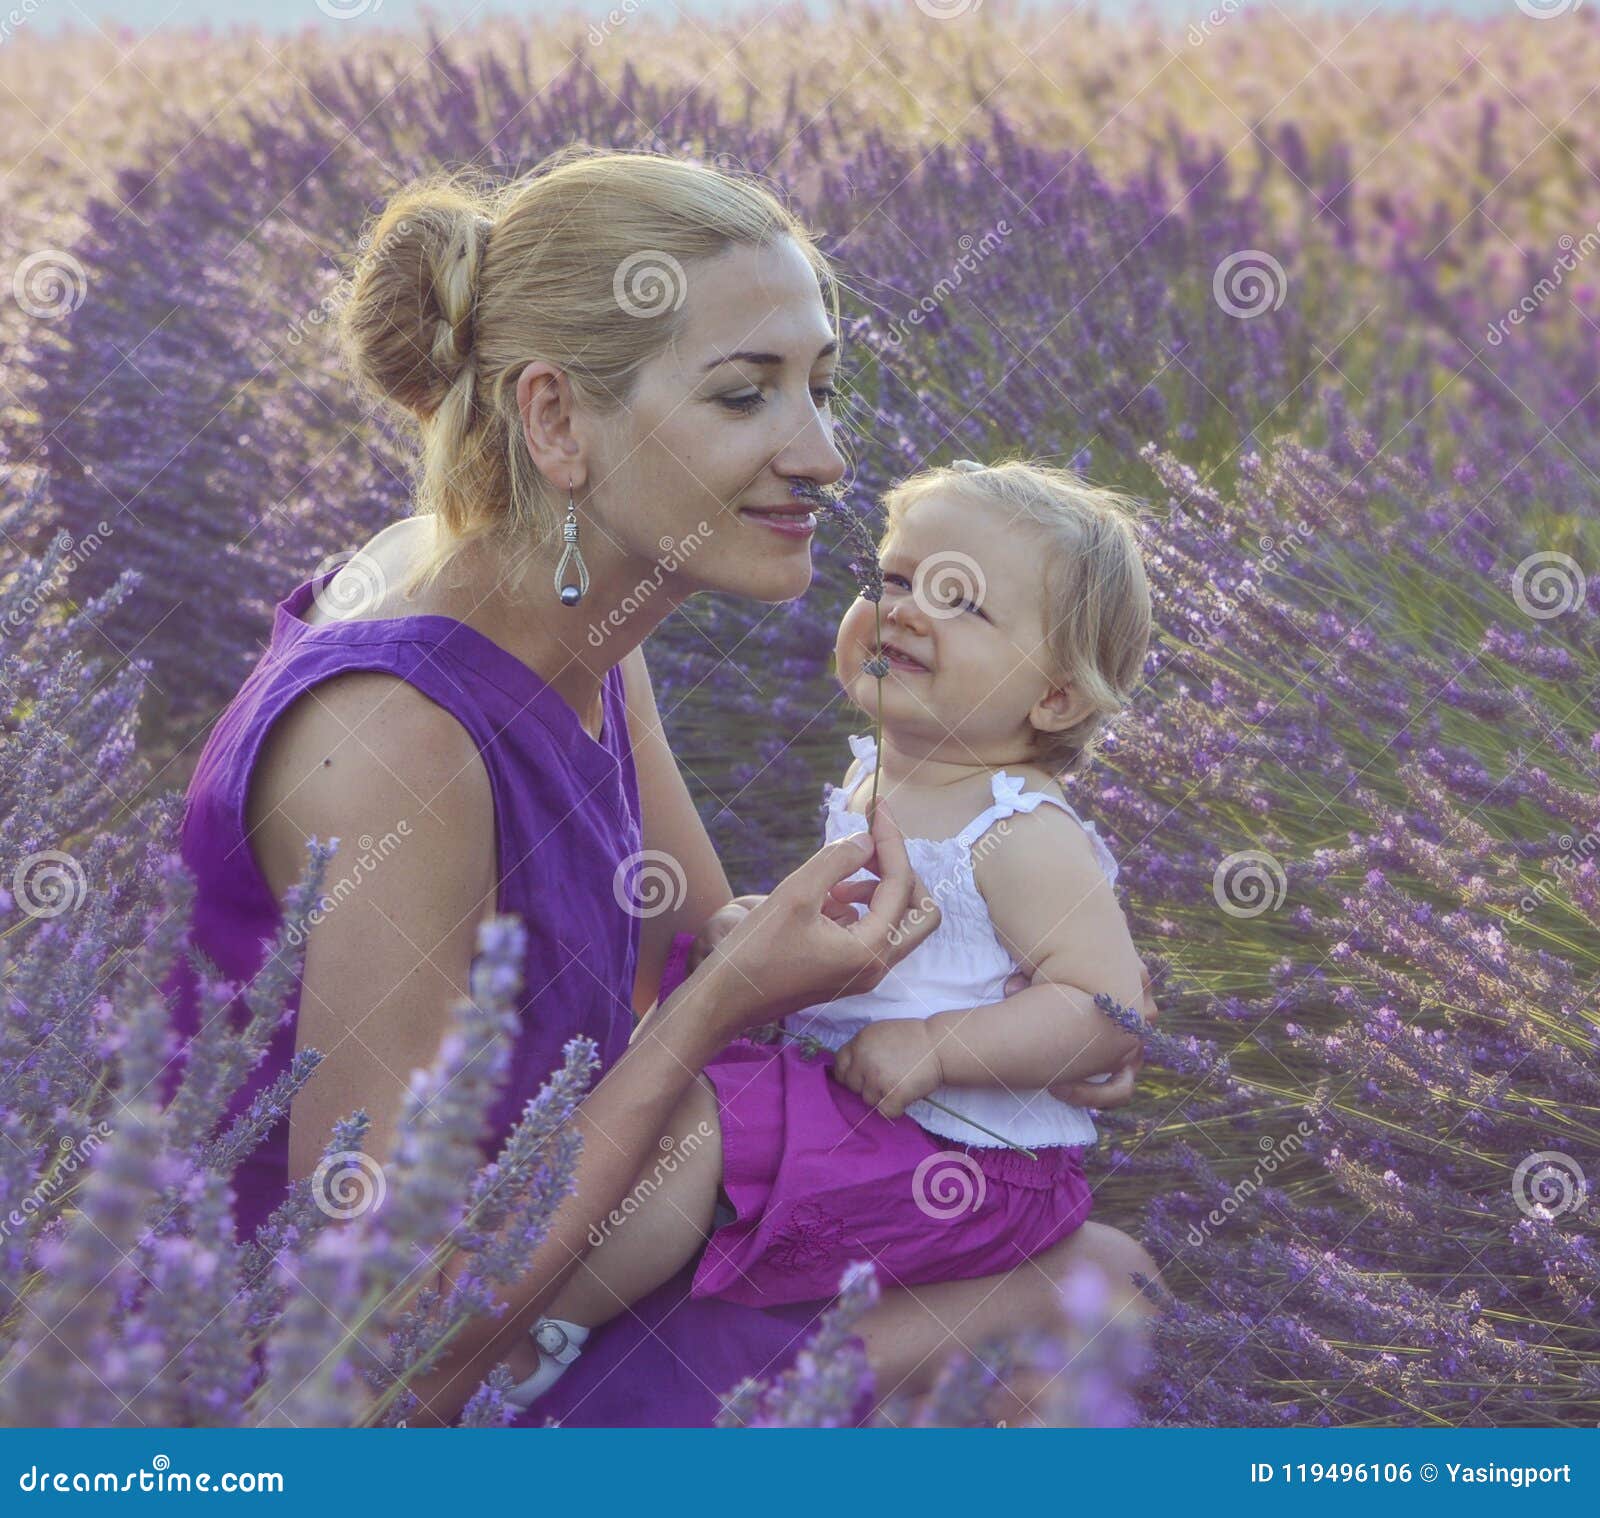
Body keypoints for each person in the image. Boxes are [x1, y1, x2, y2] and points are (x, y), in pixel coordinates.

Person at [162, 145, 1161, 1428]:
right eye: (747, 397)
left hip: (541, 1259)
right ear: (555, 421)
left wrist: (998, 1019)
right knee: (1055, 1339)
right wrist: (715, 1013)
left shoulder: (565, 630)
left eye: (821, 387)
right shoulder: (400, 738)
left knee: (1096, 1284)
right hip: (309, 1395)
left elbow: (696, 943)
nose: (825, 455)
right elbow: (366, 1353)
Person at [504, 457, 1157, 1409]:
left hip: (969, 1162)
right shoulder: (877, 778)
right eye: (894, 580)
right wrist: (760, 924)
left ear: (1053, 699)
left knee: (692, 1126)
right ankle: (576, 1319)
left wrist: (941, 1045)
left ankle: (537, 1332)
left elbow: (1108, 1010)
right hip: (873, 1117)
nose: (902, 611)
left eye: (961, 602)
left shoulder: (1021, 833)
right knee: (661, 1093)